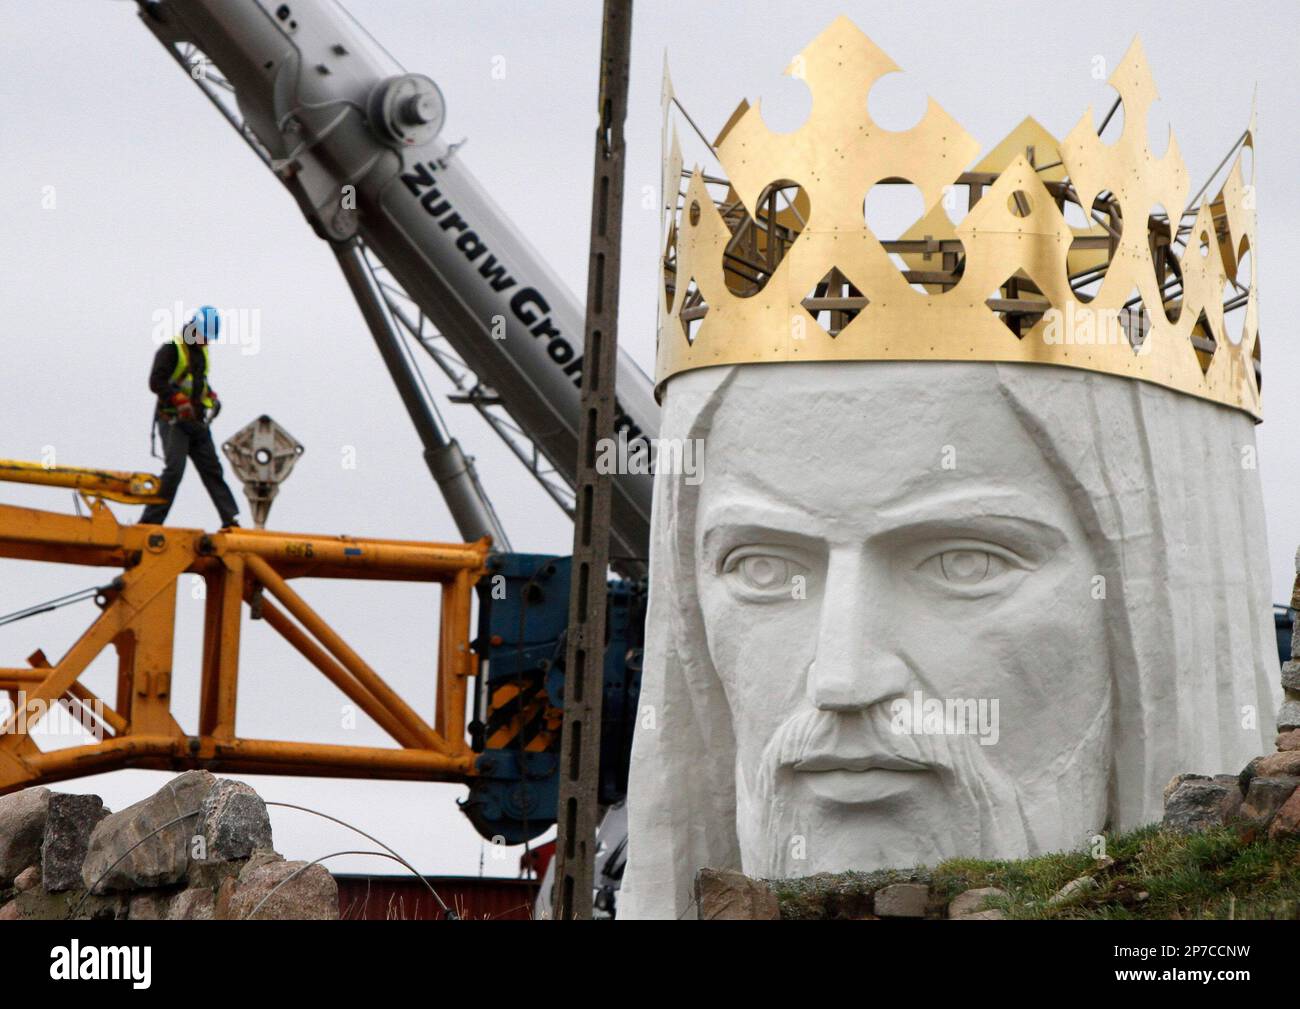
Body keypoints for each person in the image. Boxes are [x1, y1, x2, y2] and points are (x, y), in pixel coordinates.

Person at [139, 305, 241, 528]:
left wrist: (211, 396)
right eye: (206, 336)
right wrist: (177, 399)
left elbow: (198, 381)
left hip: (196, 422)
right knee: (174, 471)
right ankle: (149, 522)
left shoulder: (201, 352)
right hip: (173, 421)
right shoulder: (172, 349)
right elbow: (156, 382)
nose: (208, 342)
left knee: (212, 469)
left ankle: (230, 520)